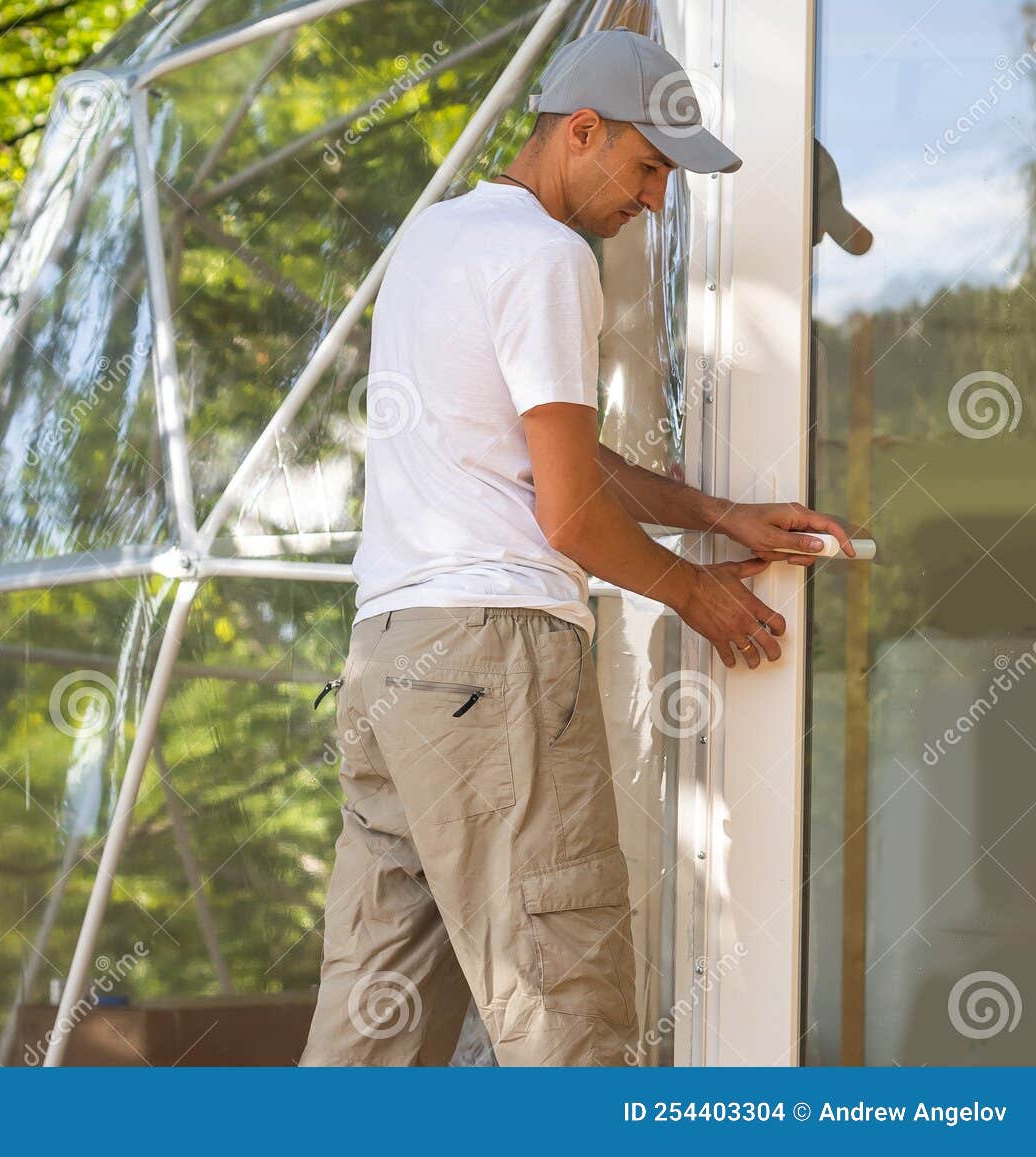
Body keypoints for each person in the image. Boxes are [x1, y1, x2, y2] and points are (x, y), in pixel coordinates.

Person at [300, 27, 855, 1066]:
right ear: (581, 131)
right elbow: (564, 515)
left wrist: (715, 510)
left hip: (392, 662)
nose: (650, 199)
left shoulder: (434, 239)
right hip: (491, 667)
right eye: (646, 168)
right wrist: (700, 594)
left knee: (368, 1032)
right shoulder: (551, 256)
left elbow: (546, 453)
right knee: (569, 1014)